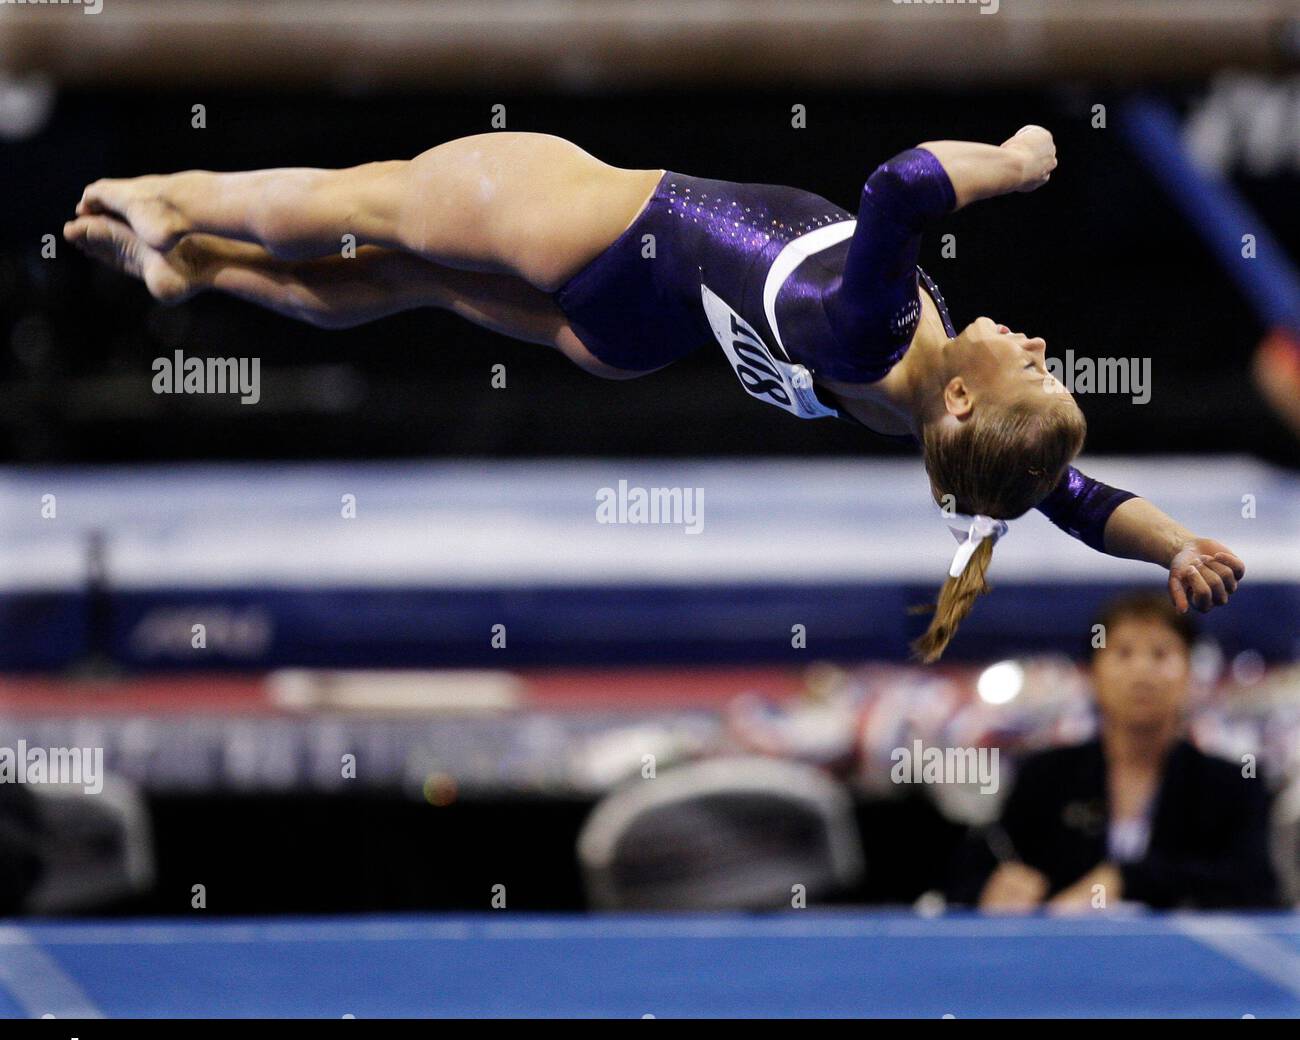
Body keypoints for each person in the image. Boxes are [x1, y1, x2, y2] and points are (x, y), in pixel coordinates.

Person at [63, 128, 1244, 659]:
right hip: (630, 332)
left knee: (362, 202)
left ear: (963, 409)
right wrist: (1174, 544)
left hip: (611, 227)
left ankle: (178, 199)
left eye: (1031, 365)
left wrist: (1017, 161)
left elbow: (897, 187)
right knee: (402, 283)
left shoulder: (875, 326)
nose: (1035, 341)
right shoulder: (935, 422)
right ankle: (199, 267)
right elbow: (1068, 496)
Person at [950, 592, 1277, 911]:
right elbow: (976, 868)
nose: (1142, 672)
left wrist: (1126, 880)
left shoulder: (1232, 787)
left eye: (1161, 654)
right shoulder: (1045, 776)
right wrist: (992, 888)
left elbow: (1256, 888)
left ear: (1190, 675)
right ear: (1094, 673)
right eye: (1123, 653)